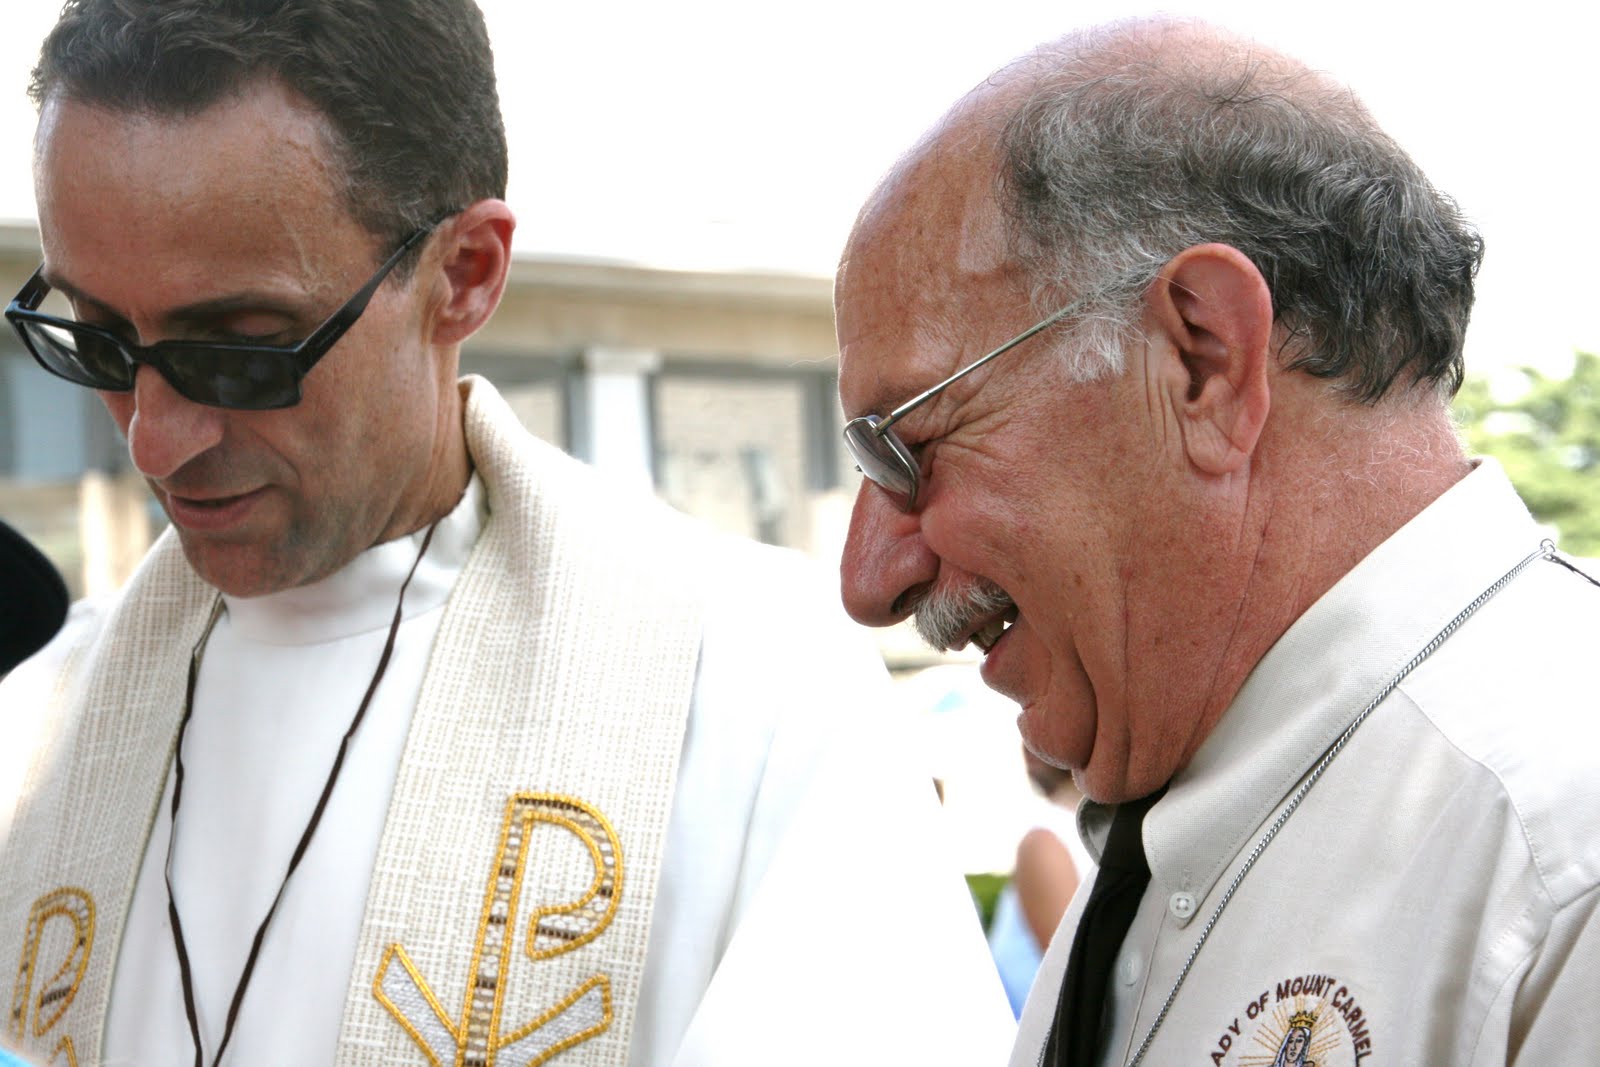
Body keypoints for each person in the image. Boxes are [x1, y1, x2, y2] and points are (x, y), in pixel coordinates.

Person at [0, 2, 1014, 1065]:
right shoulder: (34, 725)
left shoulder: (747, 696)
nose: (155, 440)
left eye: (241, 348)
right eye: (99, 342)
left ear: (466, 272)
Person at [835, 15, 1600, 1067]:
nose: (868, 580)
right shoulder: (1182, 824)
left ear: (1200, 359)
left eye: (907, 444)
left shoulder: (1559, 850)